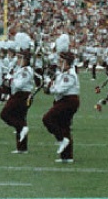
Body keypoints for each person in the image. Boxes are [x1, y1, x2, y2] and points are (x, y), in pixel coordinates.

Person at [42, 33, 80, 163]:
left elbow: (59, 89)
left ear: (67, 63)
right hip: (64, 100)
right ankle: (67, 156)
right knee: (64, 125)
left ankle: (61, 139)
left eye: (61, 61)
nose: (58, 63)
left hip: (68, 101)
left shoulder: (69, 74)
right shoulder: (63, 72)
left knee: (48, 119)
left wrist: (49, 86)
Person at [0, 32, 34, 154]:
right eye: (18, 57)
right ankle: (22, 147)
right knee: (20, 118)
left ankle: (22, 129)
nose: (18, 60)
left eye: (21, 58)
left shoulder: (26, 70)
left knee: (5, 114)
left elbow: (18, 84)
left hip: (22, 95)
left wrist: (10, 79)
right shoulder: (20, 69)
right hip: (18, 95)